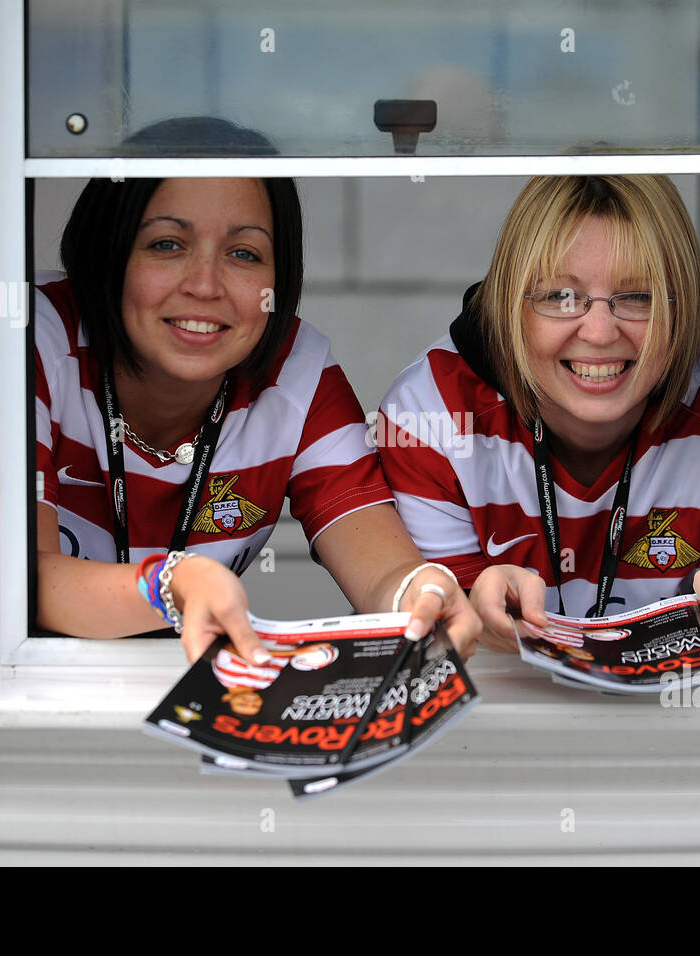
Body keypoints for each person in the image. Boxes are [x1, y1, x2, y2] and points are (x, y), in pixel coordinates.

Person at [34, 124, 481, 664]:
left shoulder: (296, 370)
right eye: (166, 244)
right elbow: (27, 581)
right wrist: (172, 585)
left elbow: (384, 574)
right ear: (108, 257)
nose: (205, 284)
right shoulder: (33, 340)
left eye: (244, 254)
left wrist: (422, 594)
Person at [375, 174, 700, 652]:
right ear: (508, 307)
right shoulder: (429, 416)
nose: (600, 331)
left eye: (638, 297)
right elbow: (442, 648)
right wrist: (476, 612)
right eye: (560, 297)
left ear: (683, 307)